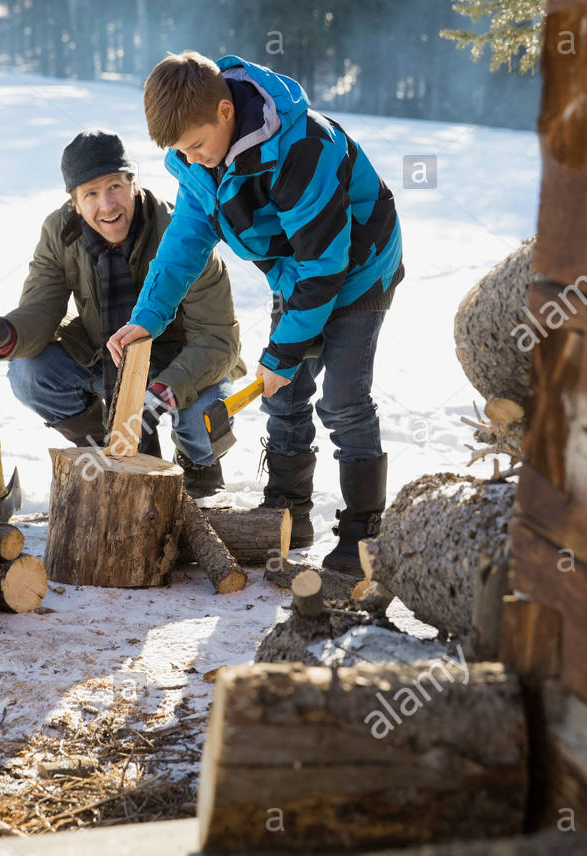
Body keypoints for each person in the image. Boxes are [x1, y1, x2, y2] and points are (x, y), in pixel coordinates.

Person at [108, 52, 403, 575]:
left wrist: (283, 353)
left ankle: (364, 530)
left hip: (358, 269)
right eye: (181, 152)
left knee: (343, 401)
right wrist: (147, 318)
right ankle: (287, 511)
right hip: (299, 272)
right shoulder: (204, 161)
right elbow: (184, 242)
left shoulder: (301, 148)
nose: (192, 159)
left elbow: (326, 267)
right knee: (284, 395)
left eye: (196, 145)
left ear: (226, 111)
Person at [0, 129, 245, 498]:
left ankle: (197, 461)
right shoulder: (60, 232)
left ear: (133, 184)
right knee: (29, 372)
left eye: (114, 187)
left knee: (206, 421)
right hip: (106, 355)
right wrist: (2, 332)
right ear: (74, 203)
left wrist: (162, 393)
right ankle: (108, 445)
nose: (107, 205)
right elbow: (42, 308)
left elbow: (218, 339)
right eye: (91, 194)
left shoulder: (182, 234)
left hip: (185, 360)